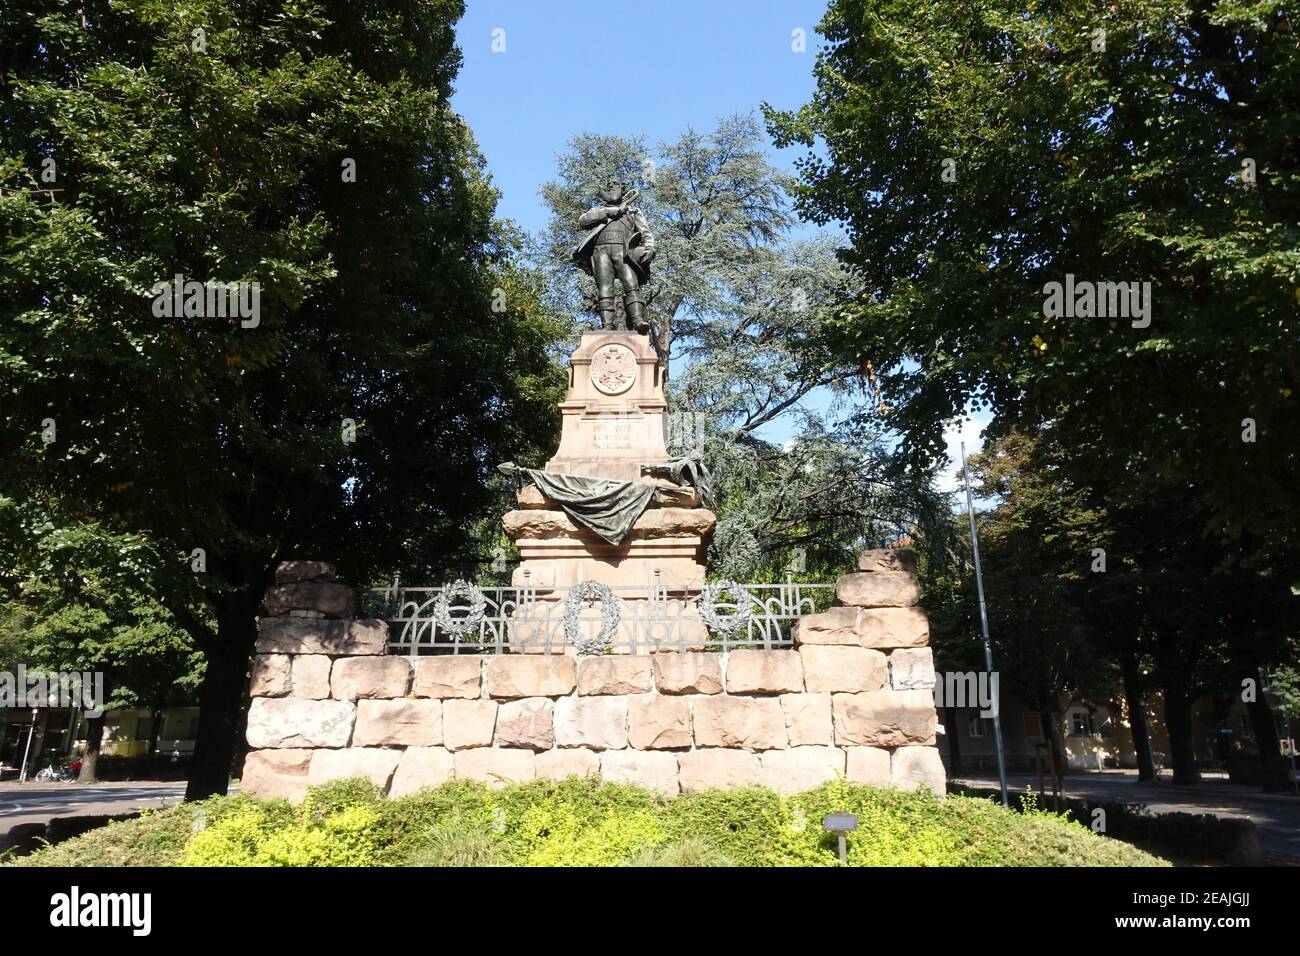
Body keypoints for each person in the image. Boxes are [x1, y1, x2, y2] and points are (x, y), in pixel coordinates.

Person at [572, 178, 656, 333]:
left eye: (615, 184)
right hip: (600, 251)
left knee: (632, 286)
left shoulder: (633, 211)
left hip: (625, 252)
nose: (611, 186)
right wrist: (608, 212)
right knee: (605, 289)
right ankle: (607, 326)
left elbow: (646, 233)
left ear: (622, 189)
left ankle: (638, 321)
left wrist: (649, 248)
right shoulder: (597, 212)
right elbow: (583, 221)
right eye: (608, 185)